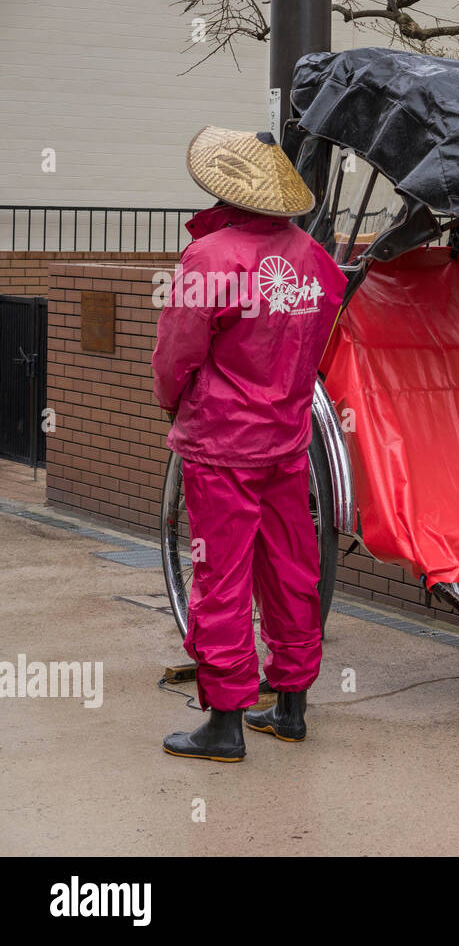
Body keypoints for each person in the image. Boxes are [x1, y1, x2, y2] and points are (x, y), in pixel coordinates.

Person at [152, 126, 347, 762]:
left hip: (221, 444)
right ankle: (290, 708)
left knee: (222, 576)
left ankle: (225, 722)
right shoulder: (314, 260)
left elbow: (178, 352)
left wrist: (174, 400)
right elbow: (319, 342)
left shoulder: (210, 258)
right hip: (287, 439)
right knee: (292, 568)